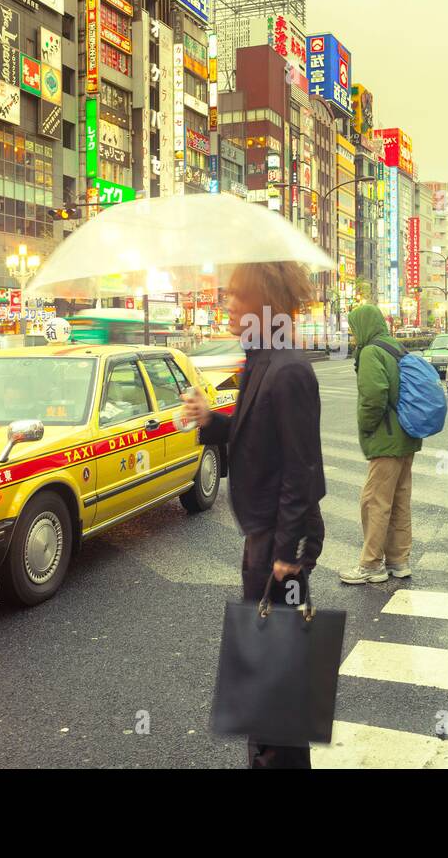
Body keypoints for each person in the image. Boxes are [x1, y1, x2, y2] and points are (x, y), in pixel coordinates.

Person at [181, 261, 326, 769]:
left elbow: (301, 468)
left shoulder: (288, 370)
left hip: (276, 544)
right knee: (266, 665)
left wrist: (287, 555)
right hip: (262, 537)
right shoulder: (262, 360)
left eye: (238, 298)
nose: (229, 307)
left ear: (263, 306)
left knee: (277, 670)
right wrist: (210, 420)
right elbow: (253, 432)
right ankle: (265, 756)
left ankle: (276, 760)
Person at [340, 305, 421, 585]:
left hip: (387, 438)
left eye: (353, 328)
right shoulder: (394, 346)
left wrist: (366, 426)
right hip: (408, 434)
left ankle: (371, 564)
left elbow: (374, 395)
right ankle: (399, 560)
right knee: (399, 500)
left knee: (374, 501)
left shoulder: (371, 351)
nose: (352, 334)